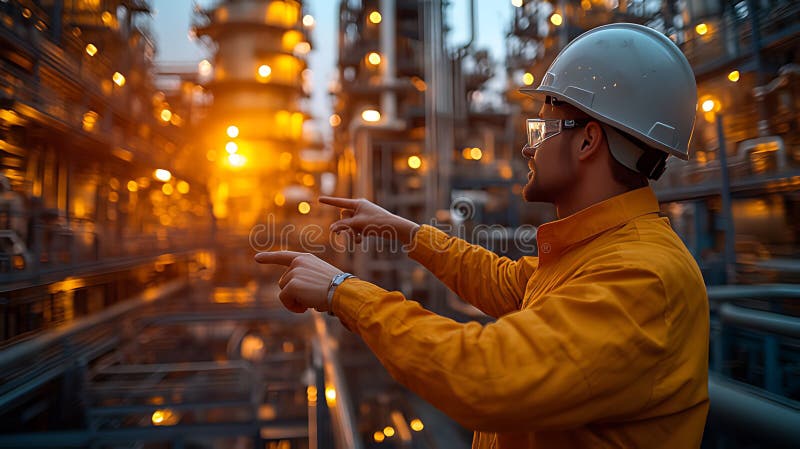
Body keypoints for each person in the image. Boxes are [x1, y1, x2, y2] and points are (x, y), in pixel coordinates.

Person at [256, 23, 709, 449]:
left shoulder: (642, 277)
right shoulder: (600, 248)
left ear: (588, 142)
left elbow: (487, 376)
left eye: (541, 130)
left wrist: (342, 291)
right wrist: (404, 231)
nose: (528, 147)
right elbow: (508, 283)